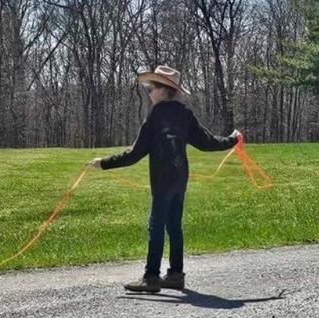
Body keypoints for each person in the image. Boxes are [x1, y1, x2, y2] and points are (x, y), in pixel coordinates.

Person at [88, 65, 240, 294]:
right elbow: (208, 142)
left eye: (151, 87)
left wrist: (104, 163)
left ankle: (151, 278)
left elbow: (134, 154)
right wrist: (232, 140)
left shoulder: (156, 116)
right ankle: (176, 275)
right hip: (180, 178)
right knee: (174, 226)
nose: (148, 91)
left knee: (156, 225)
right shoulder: (185, 114)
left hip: (162, 179)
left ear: (163, 90)